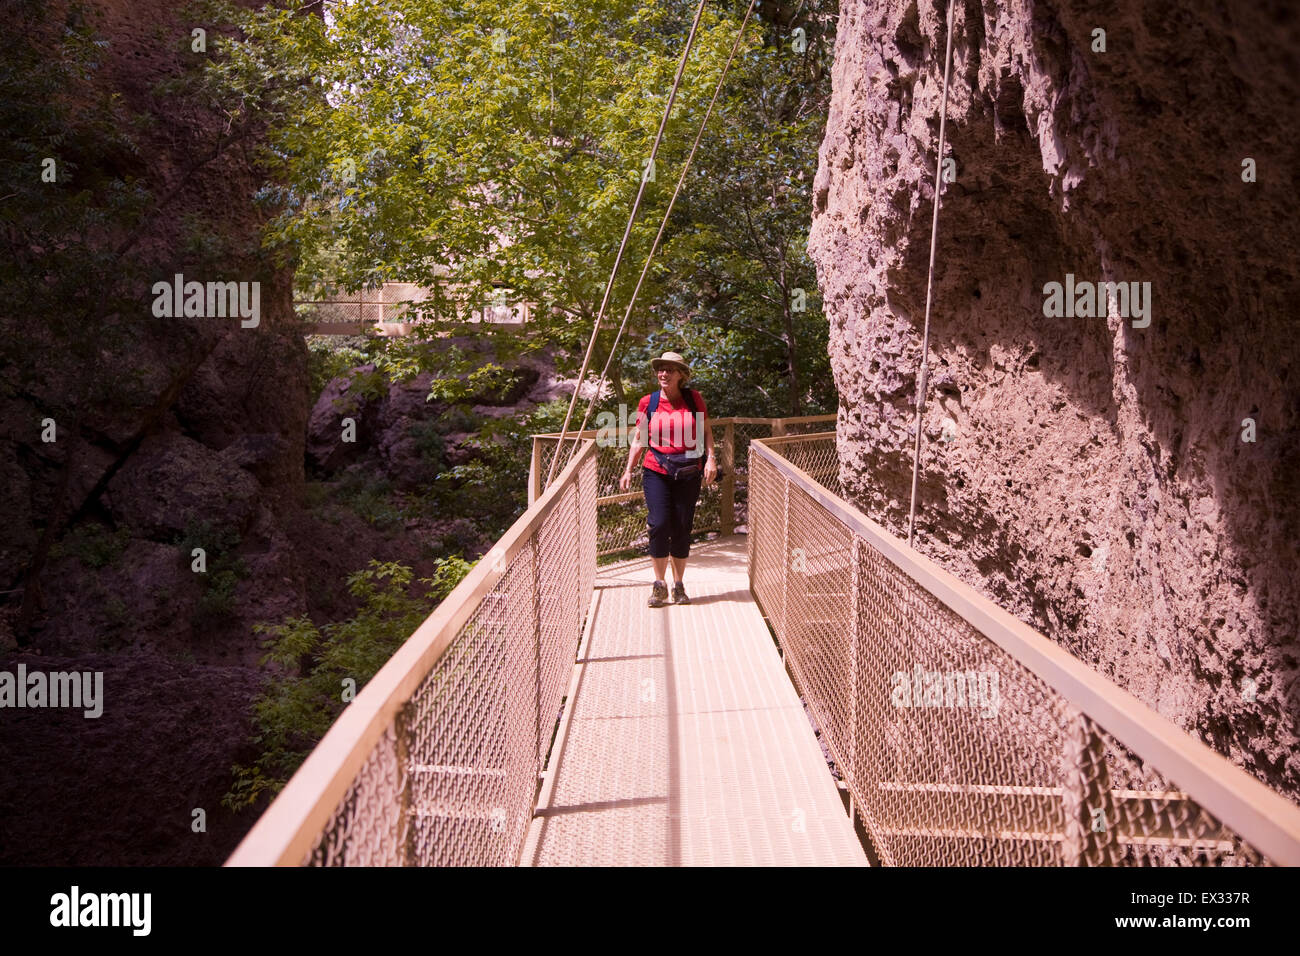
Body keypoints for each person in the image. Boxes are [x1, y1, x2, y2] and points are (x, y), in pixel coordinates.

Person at [619, 352, 718, 607]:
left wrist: (711, 458)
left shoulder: (693, 399)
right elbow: (639, 438)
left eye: (670, 370)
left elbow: (706, 430)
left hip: (688, 471)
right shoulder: (648, 403)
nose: (663, 374)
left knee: (682, 527)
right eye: (661, 369)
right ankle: (659, 584)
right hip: (656, 470)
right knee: (659, 524)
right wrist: (629, 469)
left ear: (680, 375)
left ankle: (679, 584)